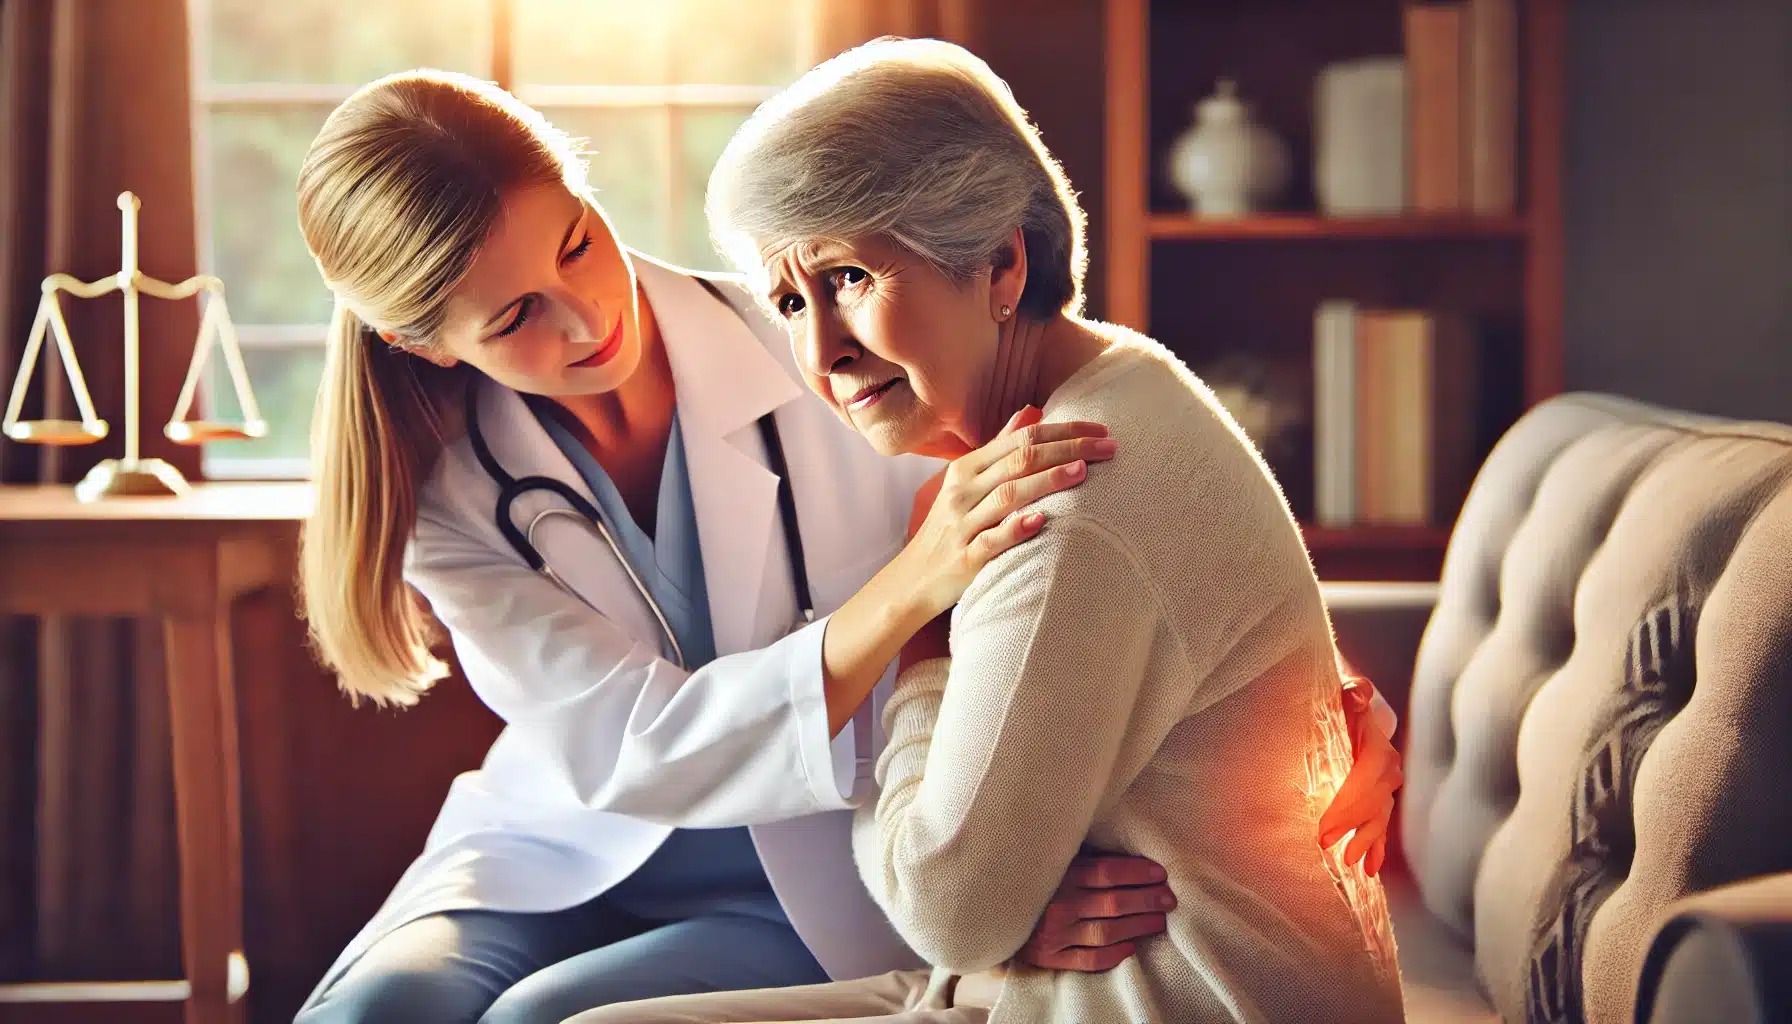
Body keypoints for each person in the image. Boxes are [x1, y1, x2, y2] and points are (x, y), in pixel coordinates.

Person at [290, 69, 1402, 1023]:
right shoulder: (442, 493)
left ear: (584, 189)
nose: (587, 319)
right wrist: (906, 590)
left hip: (820, 870)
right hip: (576, 842)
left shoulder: (837, 340)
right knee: (378, 1010)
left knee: (545, 1017)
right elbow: (637, 746)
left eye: (578, 246)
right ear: (420, 344)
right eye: (515, 318)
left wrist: (1318, 698)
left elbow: (1110, 528)